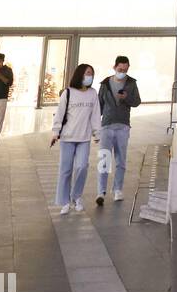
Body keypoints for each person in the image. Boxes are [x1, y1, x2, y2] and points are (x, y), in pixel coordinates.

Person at [51, 64, 101, 214]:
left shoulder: (93, 93)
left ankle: (76, 196)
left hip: (84, 138)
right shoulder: (67, 92)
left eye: (91, 74)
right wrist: (55, 131)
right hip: (67, 137)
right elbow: (59, 113)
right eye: (87, 73)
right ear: (80, 74)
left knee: (82, 167)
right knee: (65, 170)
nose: (89, 76)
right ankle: (64, 201)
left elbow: (95, 115)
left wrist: (97, 133)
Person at [96, 57, 141, 207]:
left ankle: (117, 190)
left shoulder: (131, 83)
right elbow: (99, 106)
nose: (122, 72)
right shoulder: (105, 84)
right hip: (107, 125)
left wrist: (127, 98)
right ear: (114, 67)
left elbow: (136, 102)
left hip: (123, 126)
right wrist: (96, 127)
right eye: (120, 69)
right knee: (104, 159)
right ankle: (101, 191)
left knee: (121, 160)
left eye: (125, 70)